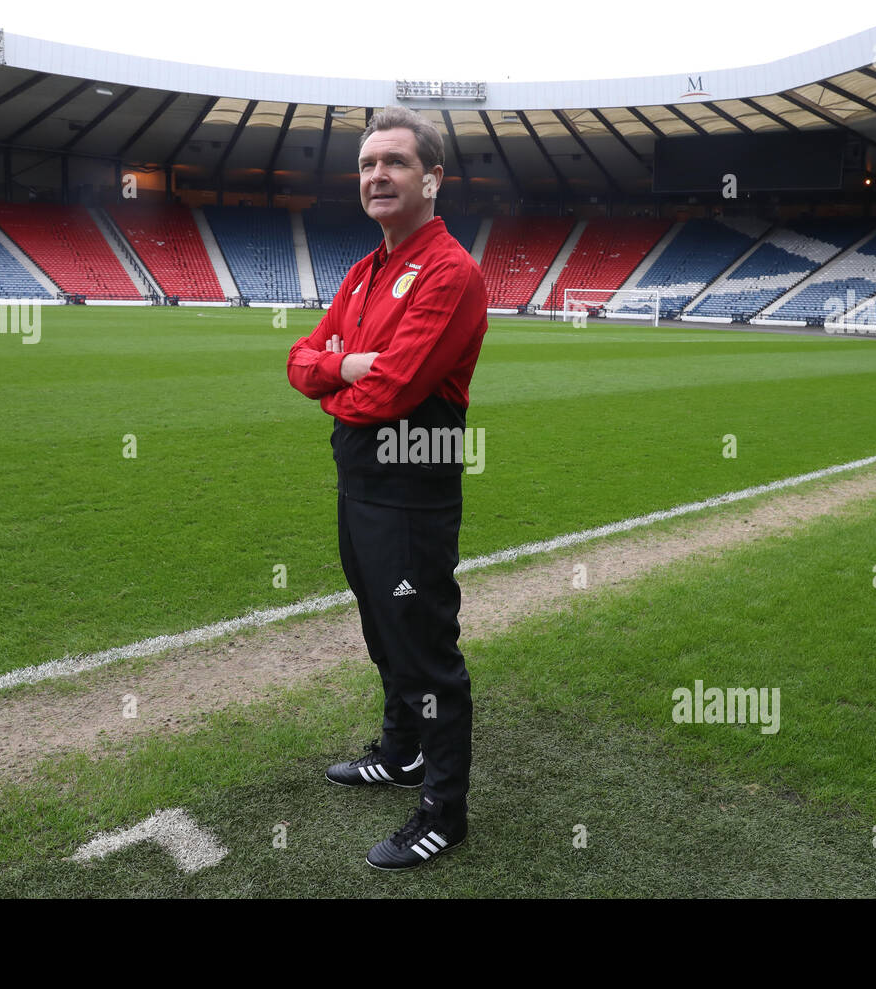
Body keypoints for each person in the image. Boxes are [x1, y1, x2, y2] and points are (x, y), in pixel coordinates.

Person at [286, 106, 488, 870]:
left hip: (412, 485)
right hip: (360, 480)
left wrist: (338, 377)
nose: (378, 175)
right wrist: (342, 365)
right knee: (381, 630)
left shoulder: (450, 272)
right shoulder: (364, 270)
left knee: (425, 648)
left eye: (395, 162)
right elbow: (301, 359)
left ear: (432, 179)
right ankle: (401, 751)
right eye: (368, 164)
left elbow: (394, 390)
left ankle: (445, 807)